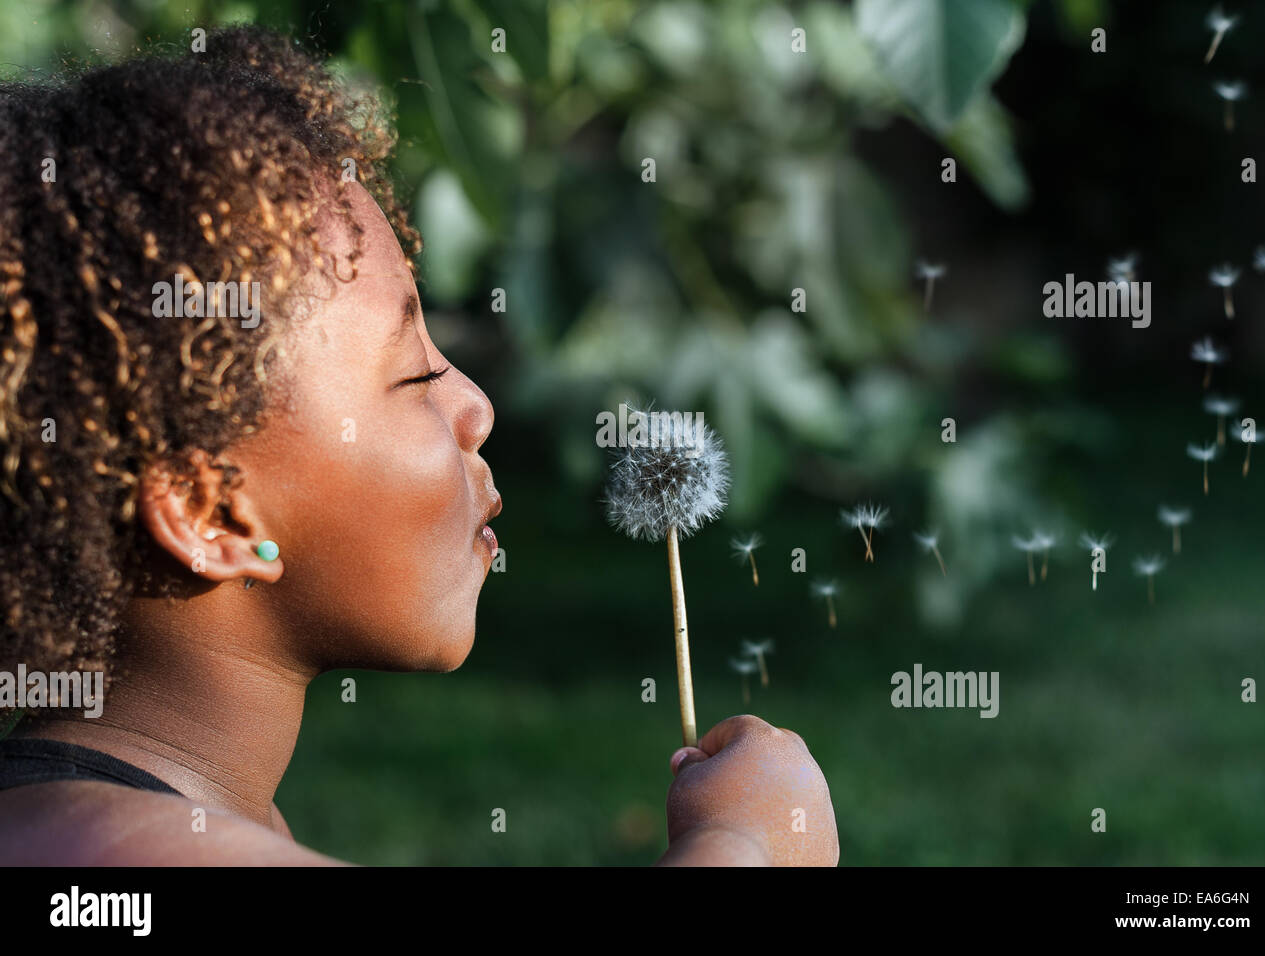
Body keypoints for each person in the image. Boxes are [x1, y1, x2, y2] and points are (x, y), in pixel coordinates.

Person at [0, 26, 837, 866]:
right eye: (412, 377)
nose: (475, 404)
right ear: (209, 510)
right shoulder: (111, 853)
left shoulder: (164, 824)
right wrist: (744, 846)